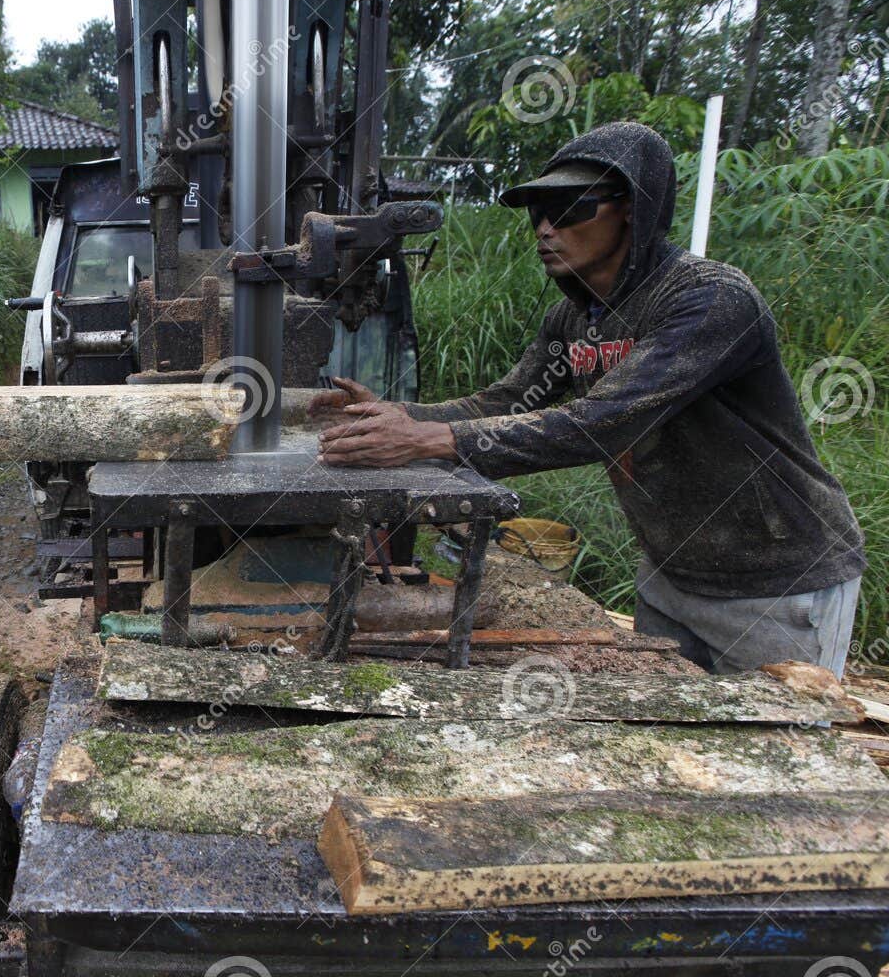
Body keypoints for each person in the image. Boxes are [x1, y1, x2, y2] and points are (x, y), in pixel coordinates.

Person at [311, 122, 864, 676]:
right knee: (666, 734)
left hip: (776, 582)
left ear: (633, 208)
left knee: (773, 750)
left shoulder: (708, 300)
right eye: (538, 213)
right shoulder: (575, 317)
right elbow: (509, 400)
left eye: (570, 208)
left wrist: (425, 440)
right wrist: (399, 415)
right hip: (670, 573)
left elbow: (602, 422)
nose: (547, 229)